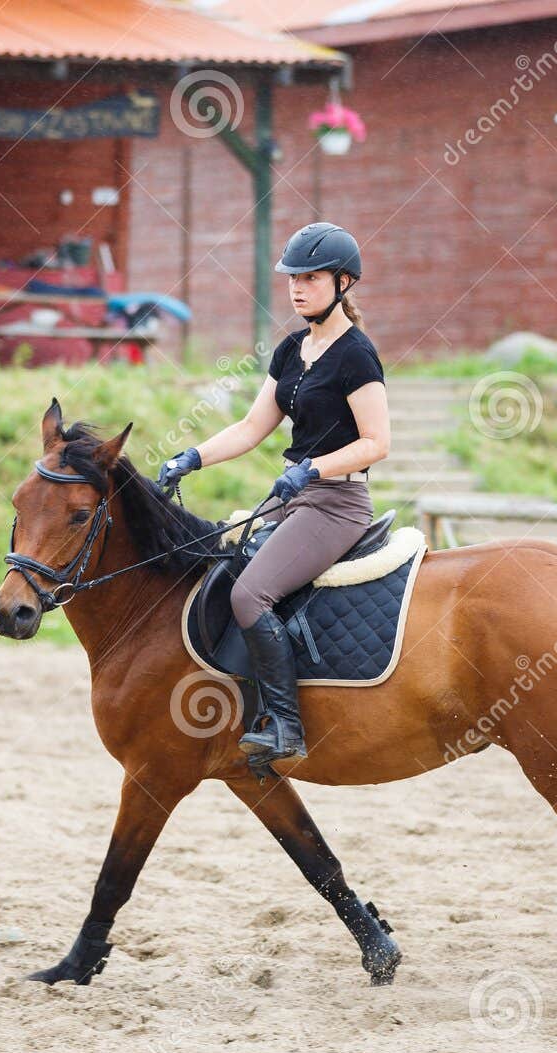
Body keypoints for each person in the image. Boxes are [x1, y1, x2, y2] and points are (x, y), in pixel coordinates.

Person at [157, 222, 390, 765]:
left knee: (249, 595)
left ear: (344, 282)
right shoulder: (291, 350)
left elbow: (378, 443)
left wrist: (311, 469)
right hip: (297, 499)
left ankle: (285, 724)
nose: (297, 287)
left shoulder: (357, 354)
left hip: (338, 503)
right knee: (219, 570)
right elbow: (248, 428)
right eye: (292, 277)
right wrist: (192, 456)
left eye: (310, 277)